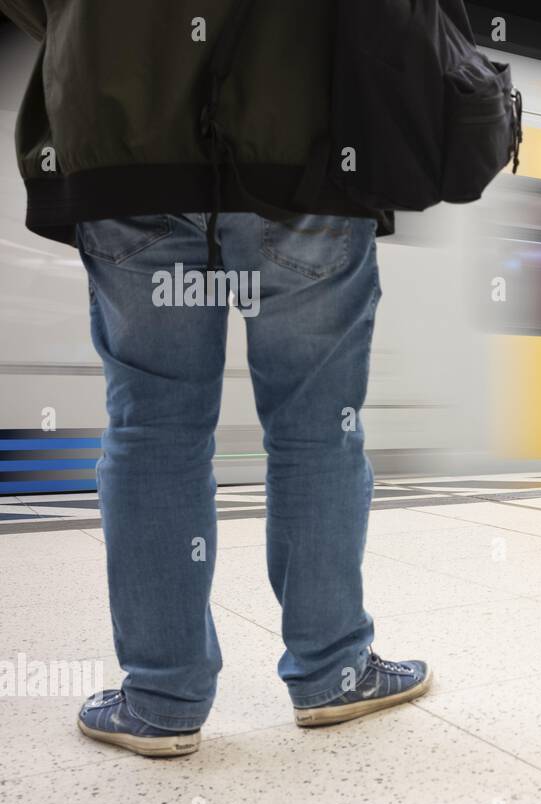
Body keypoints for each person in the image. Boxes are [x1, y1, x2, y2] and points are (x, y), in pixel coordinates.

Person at [0, 0, 431, 756]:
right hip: (308, 152)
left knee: (153, 427)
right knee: (317, 427)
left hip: (129, 152)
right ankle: (334, 672)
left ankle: (162, 697)